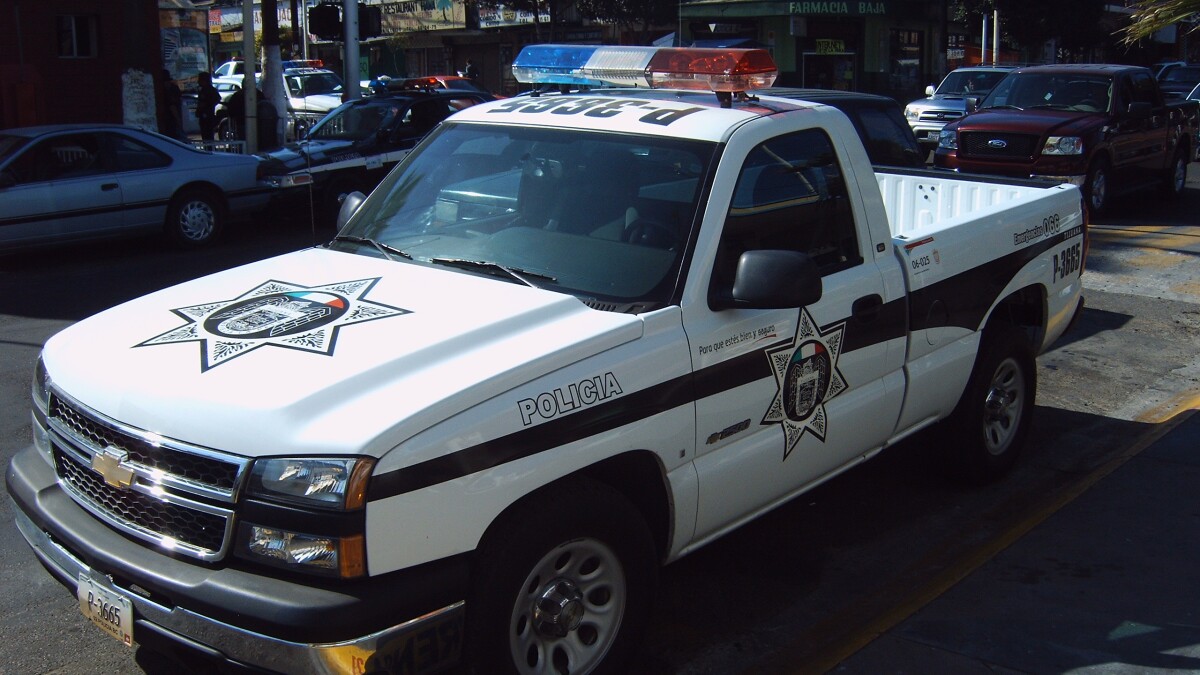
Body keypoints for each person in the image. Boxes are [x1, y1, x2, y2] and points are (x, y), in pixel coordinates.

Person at [160, 70, 186, 141]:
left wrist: (177, 119)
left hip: (171, 120)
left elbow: (172, 105)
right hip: (170, 120)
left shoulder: (169, 90)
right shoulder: (171, 89)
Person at [196, 72, 220, 141]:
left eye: (200, 80)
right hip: (204, 116)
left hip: (208, 116)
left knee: (208, 135)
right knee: (205, 136)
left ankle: (209, 149)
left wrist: (208, 105)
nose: (198, 81)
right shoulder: (202, 90)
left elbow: (217, 99)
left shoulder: (210, 90)